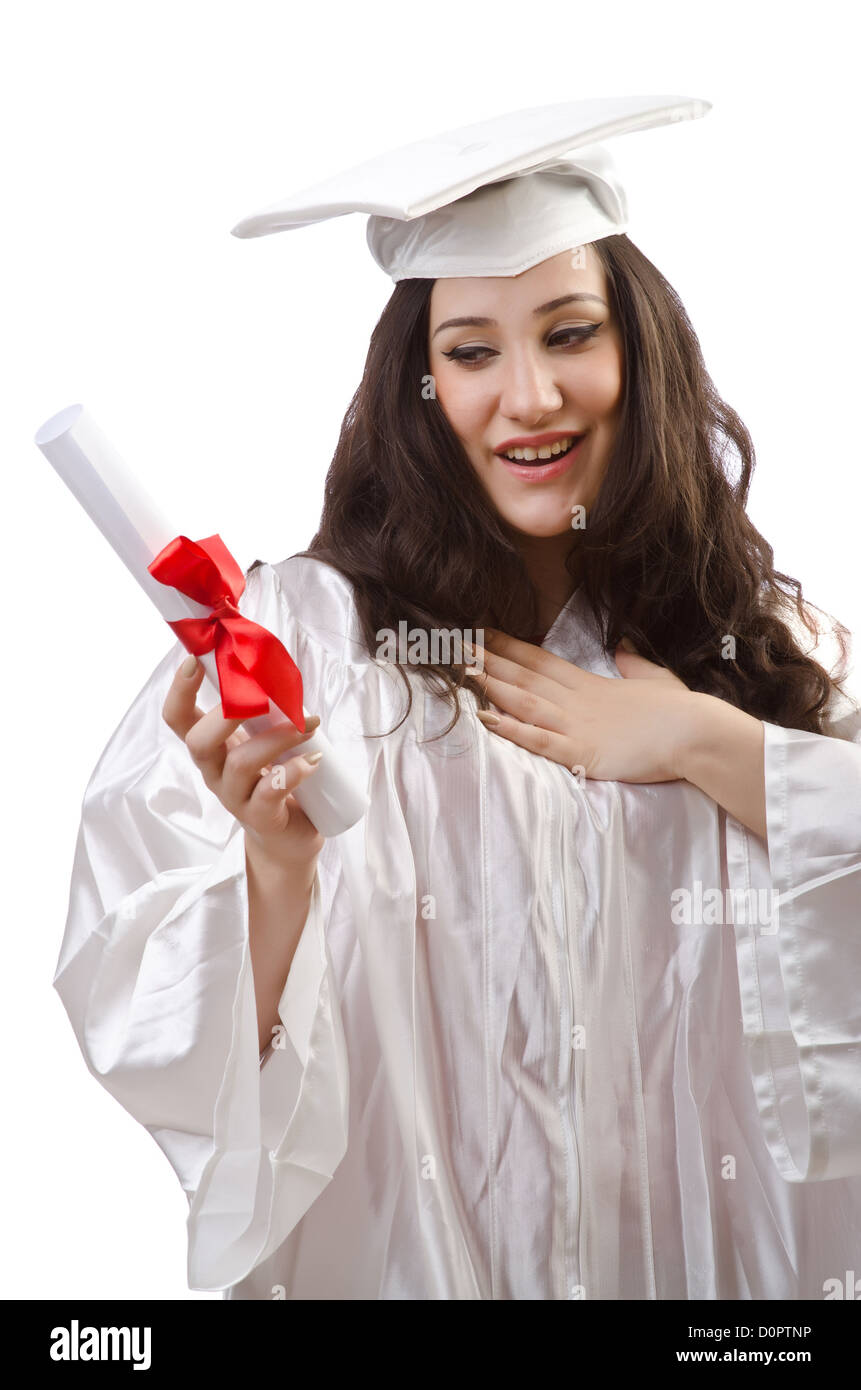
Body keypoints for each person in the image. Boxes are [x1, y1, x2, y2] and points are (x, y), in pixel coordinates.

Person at [54, 96, 861, 1300]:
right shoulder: (307, 643)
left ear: (640, 354)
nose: (528, 397)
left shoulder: (754, 645)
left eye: (570, 333)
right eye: (472, 352)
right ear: (418, 381)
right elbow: (145, 998)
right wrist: (275, 871)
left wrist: (704, 741)